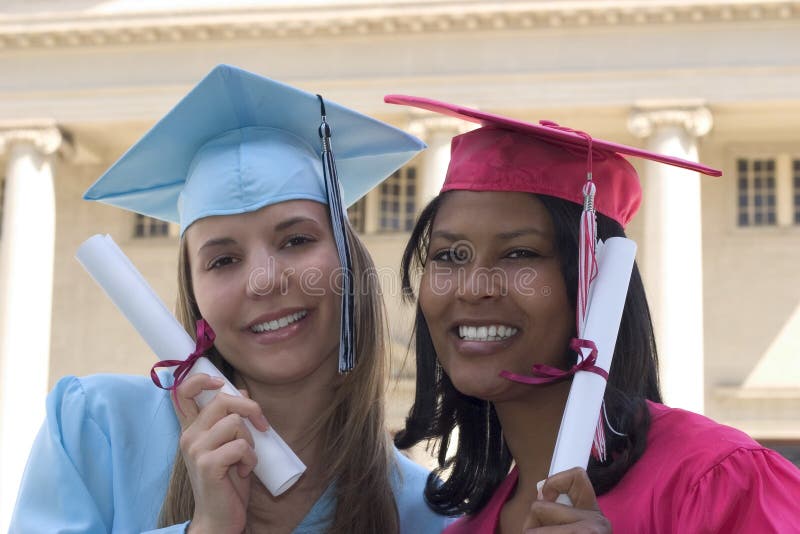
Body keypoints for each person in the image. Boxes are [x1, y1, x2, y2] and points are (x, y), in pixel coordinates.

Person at [10, 65, 453, 533]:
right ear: (194, 292)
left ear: (350, 263)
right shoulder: (97, 431)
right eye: (222, 260)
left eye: (296, 240)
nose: (263, 280)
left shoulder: (424, 516)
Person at [386, 95, 800, 532]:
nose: (472, 288)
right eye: (449, 256)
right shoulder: (469, 527)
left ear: (594, 281)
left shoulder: (714, 480)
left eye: (519, 253)